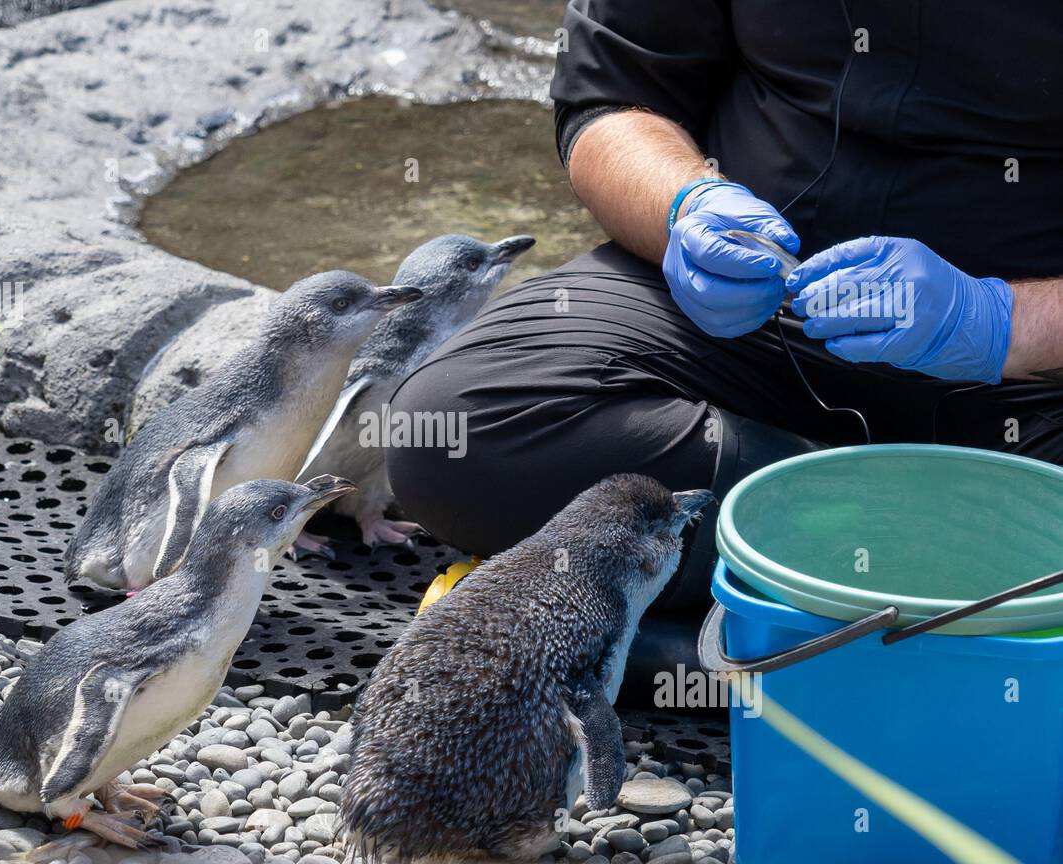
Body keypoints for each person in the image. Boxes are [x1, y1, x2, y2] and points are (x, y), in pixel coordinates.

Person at [386, 0, 1063, 608]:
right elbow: (607, 98)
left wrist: (1004, 323)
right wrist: (684, 206)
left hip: (1028, 382)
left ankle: (801, 589)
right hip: (748, 327)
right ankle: (950, 562)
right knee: (450, 429)